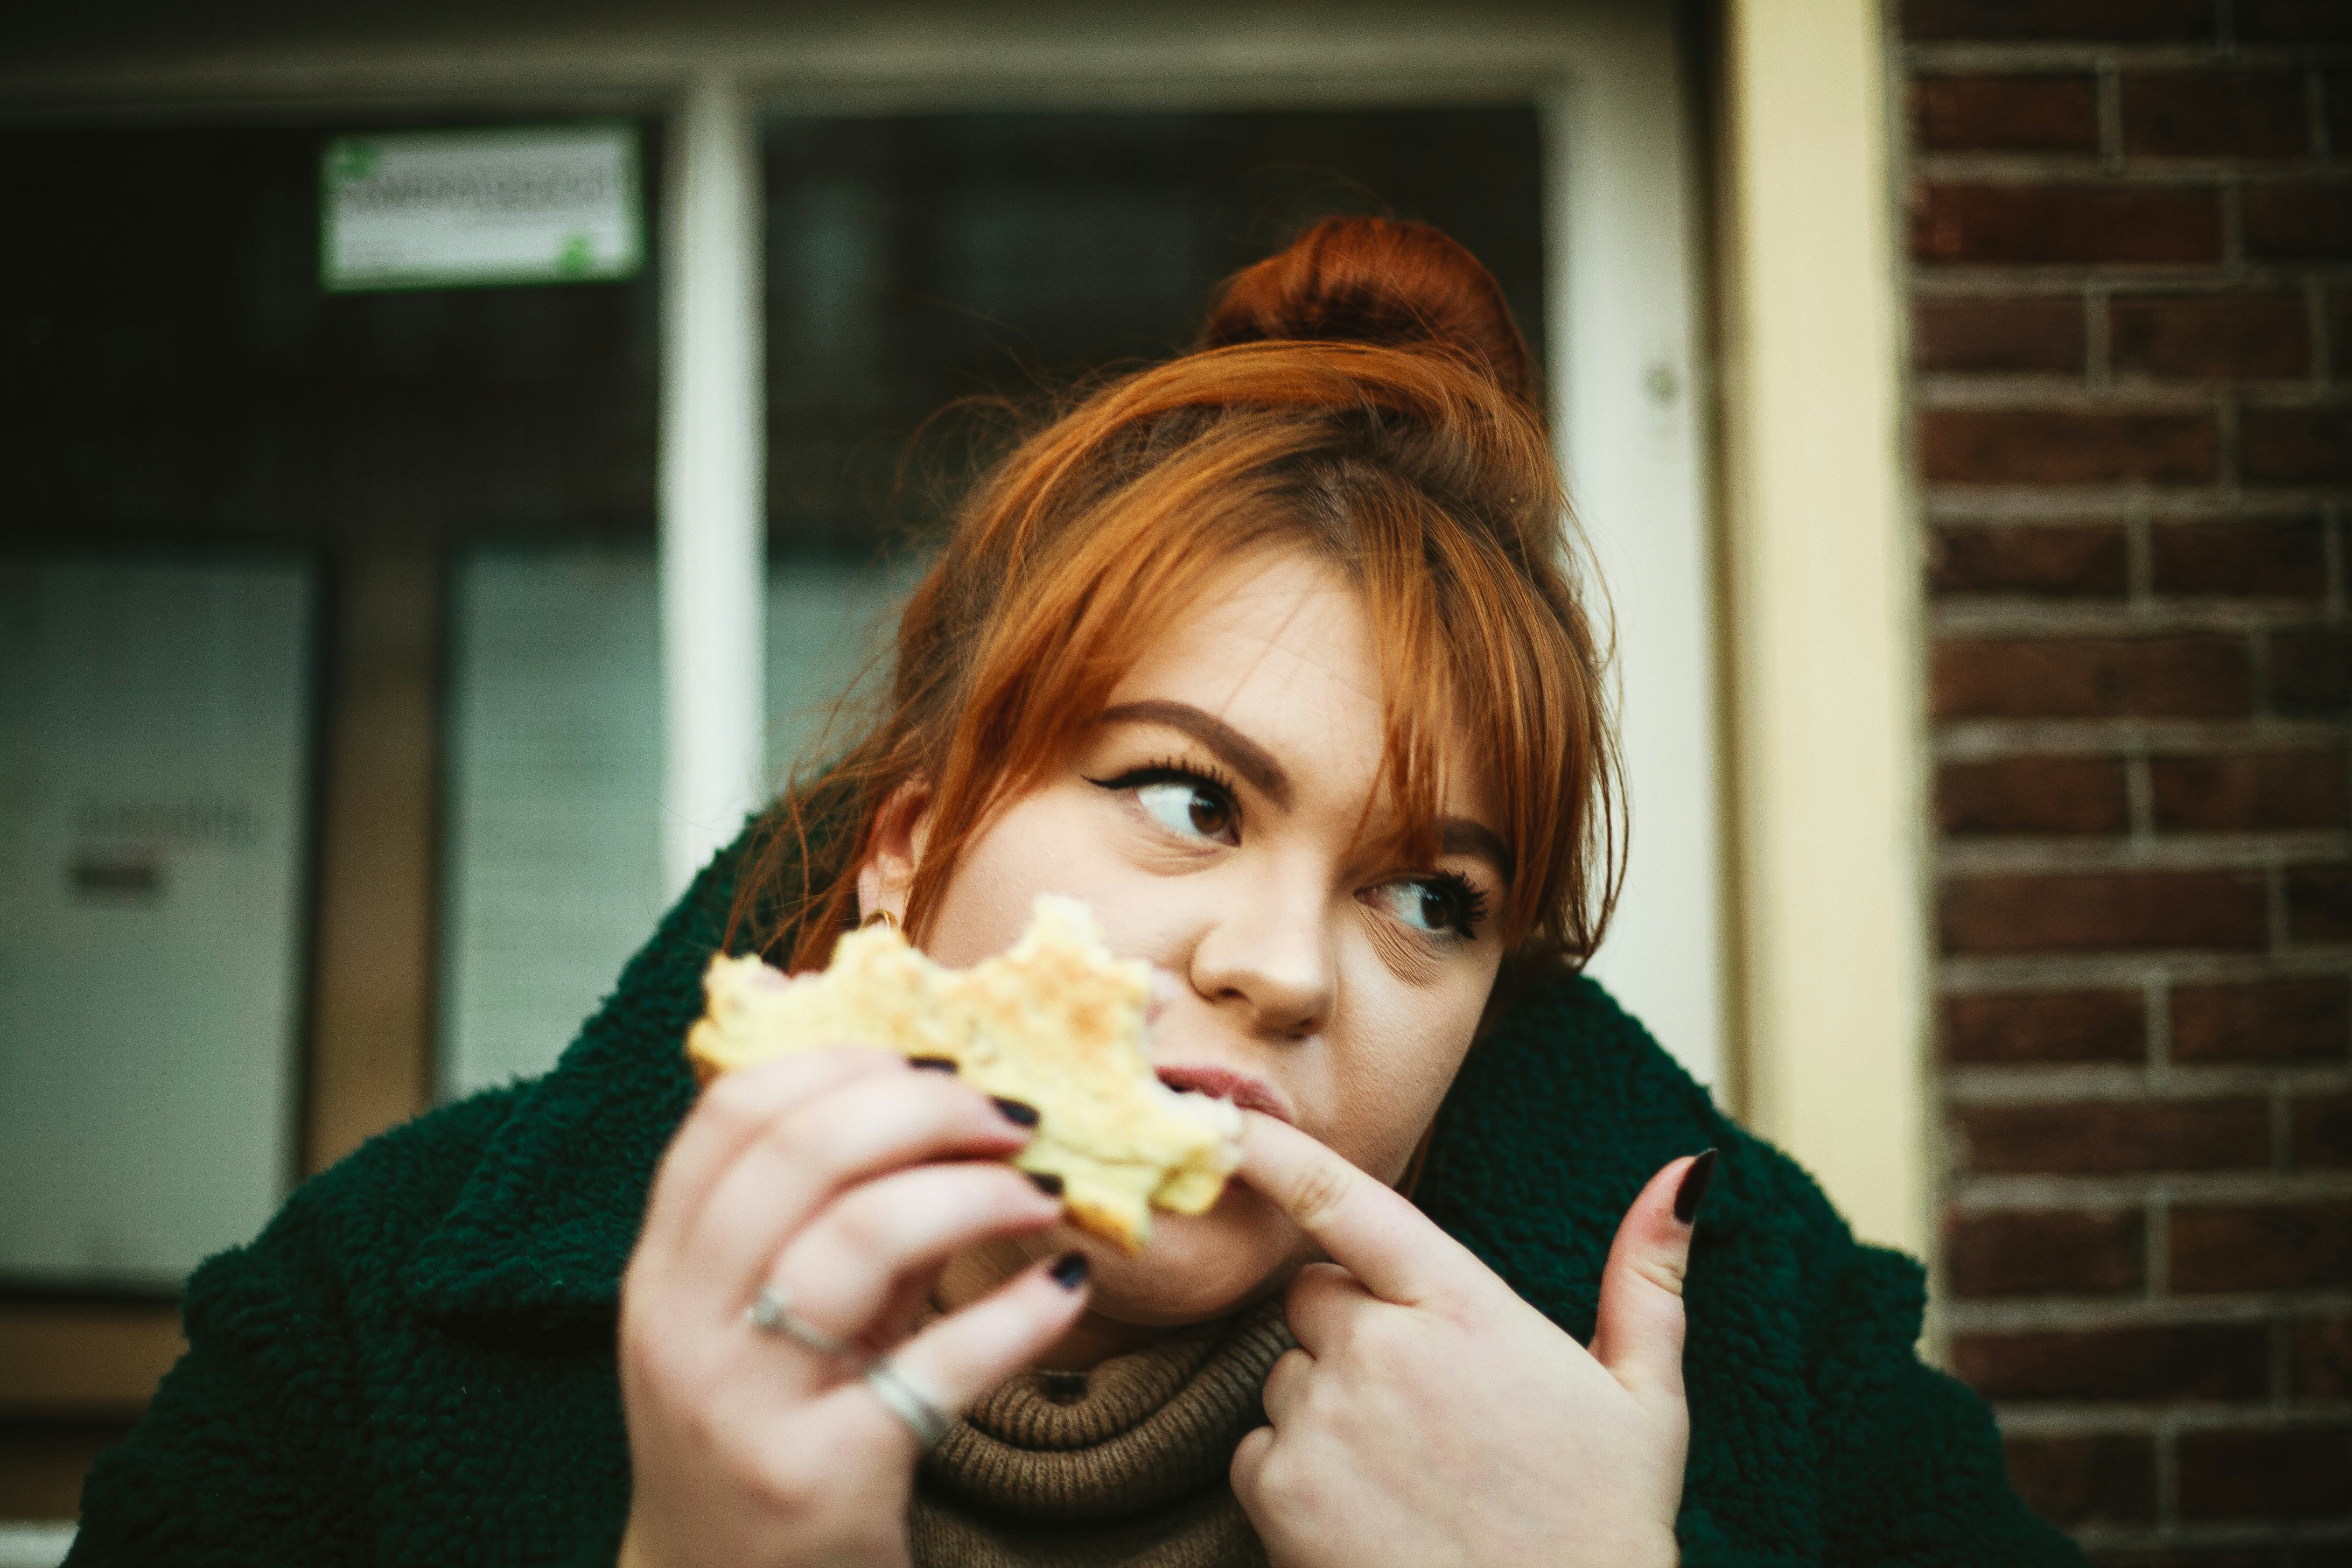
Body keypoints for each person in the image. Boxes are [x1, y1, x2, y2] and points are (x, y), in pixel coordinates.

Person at [67, 218, 2083, 1567]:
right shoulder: (363, 1324)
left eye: (1431, 900)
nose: (1282, 969)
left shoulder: (1773, 1359)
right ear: (907, 852)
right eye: (1188, 800)